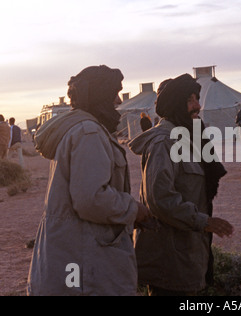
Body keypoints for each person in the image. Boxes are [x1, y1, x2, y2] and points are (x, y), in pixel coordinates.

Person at [28, 65, 151, 296]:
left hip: (75, 253)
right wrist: (133, 209)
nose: (117, 100)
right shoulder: (88, 132)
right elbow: (90, 199)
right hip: (84, 259)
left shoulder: (81, 129)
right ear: (100, 95)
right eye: (114, 92)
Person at [129, 73, 234, 296]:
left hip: (186, 254)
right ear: (176, 104)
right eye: (190, 100)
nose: (198, 105)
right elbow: (160, 198)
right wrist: (203, 221)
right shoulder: (164, 143)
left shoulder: (187, 138)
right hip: (169, 261)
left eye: (197, 98)